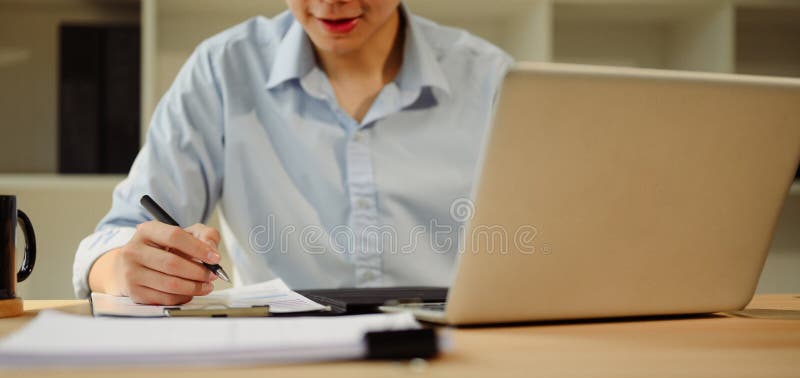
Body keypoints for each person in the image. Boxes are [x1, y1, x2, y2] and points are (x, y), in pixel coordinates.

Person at [73, 0, 512, 305]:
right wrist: (124, 269)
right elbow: (118, 236)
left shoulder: (493, 79)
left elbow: (559, 247)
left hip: (457, 366)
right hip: (280, 374)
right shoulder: (224, 70)